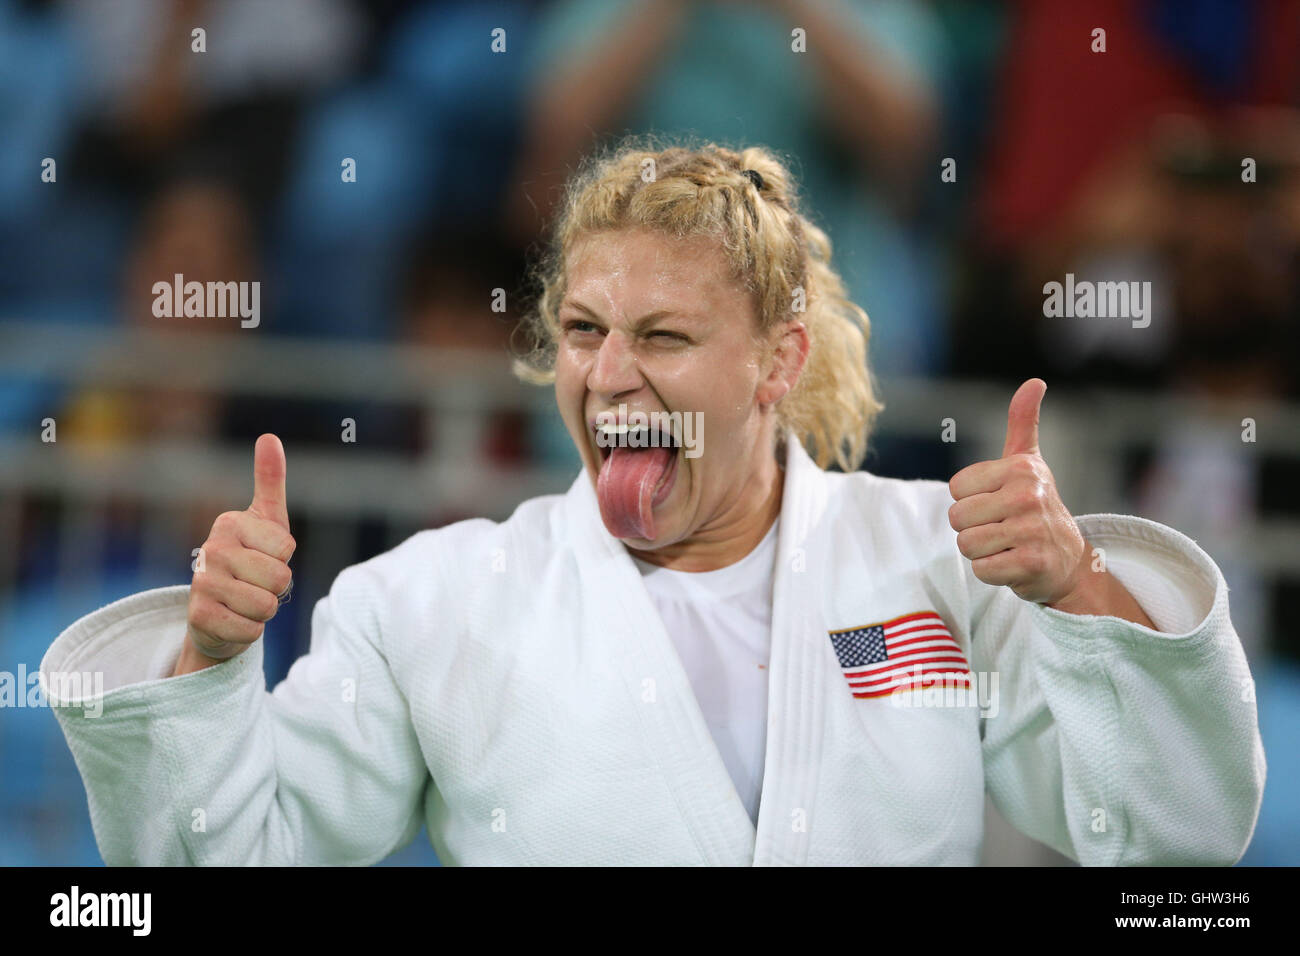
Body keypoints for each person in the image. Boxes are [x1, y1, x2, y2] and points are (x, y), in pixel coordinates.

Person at [41, 142, 1265, 866]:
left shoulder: (933, 560)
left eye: (664, 335)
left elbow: (1177, 831)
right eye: (581, 330)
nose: (609, 371)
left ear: (776, 361)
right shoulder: (430, 598)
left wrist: (1079, 586)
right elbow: (228, 857)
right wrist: (208, 660)